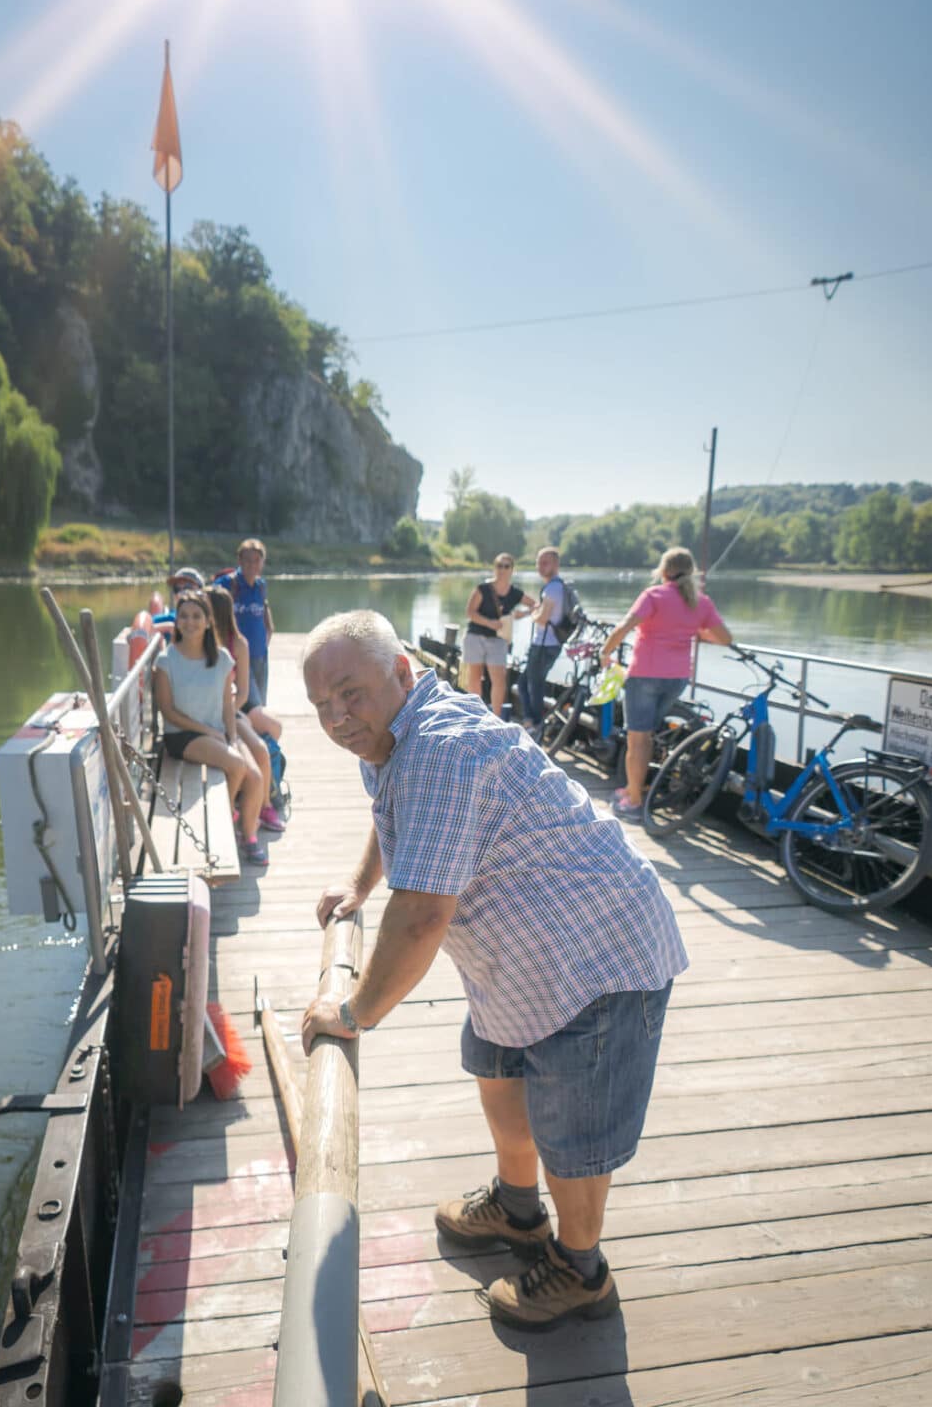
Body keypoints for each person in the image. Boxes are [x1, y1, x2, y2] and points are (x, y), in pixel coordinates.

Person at [299, 610, 687, 1330]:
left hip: (596, 956)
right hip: (520, 964)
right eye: (321, 705)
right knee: (499, 1076)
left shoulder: (440, 749)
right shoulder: (388, 735)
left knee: (572, 1135)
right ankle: (516, 1210)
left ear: (402, 671)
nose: (337, 718)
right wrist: (358, 884)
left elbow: (423, 917)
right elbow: (394, 814)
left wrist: (353, 1013)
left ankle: (581, 1271)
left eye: (349, 693)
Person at [599, 547, 732, 821]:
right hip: (677, 678)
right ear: (691, 571)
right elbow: (725, 638)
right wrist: (693, 631)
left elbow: (624, 627)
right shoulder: (701, 602)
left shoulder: (654, 596)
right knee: (648, 733)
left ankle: (634, 801)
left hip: (645, 675)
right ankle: (636, 787)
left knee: (638, 739)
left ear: (663, 571)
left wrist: (605, 652)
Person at [153, 588, 269, 867]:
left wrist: (232, 737)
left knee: (255, 777)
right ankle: (223, 825)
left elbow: (227, 705)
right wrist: (210, 733)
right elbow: (167, 712)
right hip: (183, 736)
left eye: (196, 616)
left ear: (208, 621)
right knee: (236, 765)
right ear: (177, 622)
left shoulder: (222, 658)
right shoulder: (167, 661)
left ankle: (249, 837)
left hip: (217, 732)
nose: (189, 622)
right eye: (183, 616)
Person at [207, 584, 285, 832]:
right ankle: (235, 810)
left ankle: (266, 806)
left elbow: (241, 692)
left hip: (231, 709)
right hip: (206, 714)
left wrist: (228, 713)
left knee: (260, 749)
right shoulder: (199, 642)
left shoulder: (238, 643)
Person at [463, 553, 536, 716]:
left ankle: (495, 717)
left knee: (499, 680)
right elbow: (470, 612)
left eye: (506, 566)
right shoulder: (483, 589)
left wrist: (522, 614)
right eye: (499, 566)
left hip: (498, 639)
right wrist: (489, 623)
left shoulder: (515, 593)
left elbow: (536, 605)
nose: (502, 569)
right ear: (494, 568)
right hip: (476, 636)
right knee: (475, 677)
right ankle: (474, 714)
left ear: (512, 569)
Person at [216, 539, 274, 705]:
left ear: (262, 562)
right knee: (250, 702)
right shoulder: (227, 584)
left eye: (257, 560)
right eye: (247, 560)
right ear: (239, 561)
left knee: (259, 703)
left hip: (260, 654)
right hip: (237, 655)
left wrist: (269, 633)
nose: (252, 565)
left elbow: (264, 611)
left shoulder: (261, 585)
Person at [516, 546, 565, 733]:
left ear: (556, 564)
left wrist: (534, 614)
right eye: (539, 563)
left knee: (531, 685)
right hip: (552, 643)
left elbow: (543, 618)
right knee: (528, 682)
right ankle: (531, 721)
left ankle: (535, 724)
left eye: (545, 563)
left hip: (544, 644)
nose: (540, 567)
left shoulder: (552, 588)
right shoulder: (560, 586)